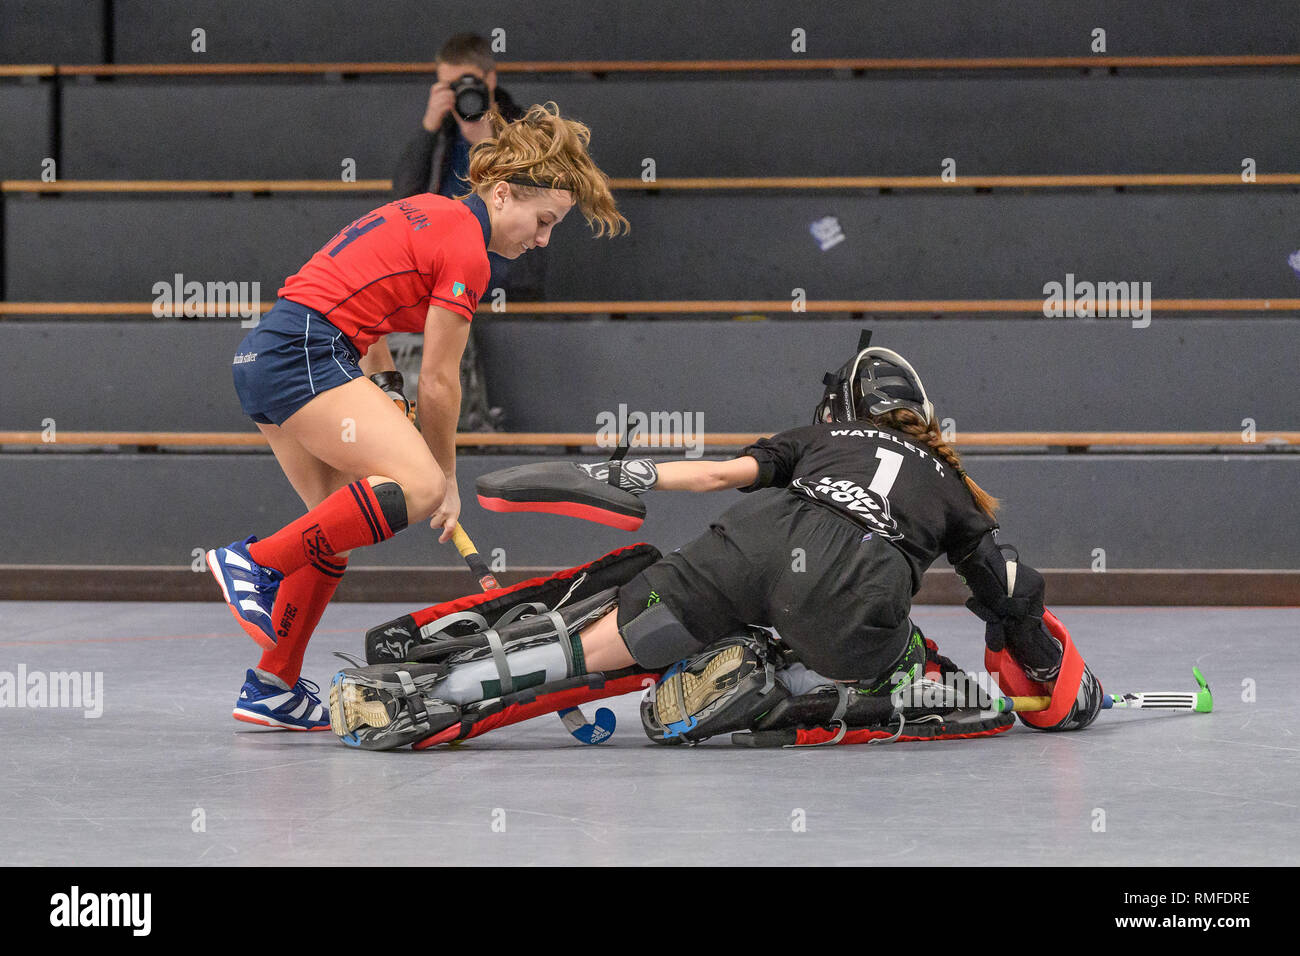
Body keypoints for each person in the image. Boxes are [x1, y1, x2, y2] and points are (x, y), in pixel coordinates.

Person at [331, 336, 1103, 748]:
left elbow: (720, 475)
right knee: (908, 663)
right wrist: (1044, 671)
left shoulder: (822, 435)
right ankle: (778, 679)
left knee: (595, 646)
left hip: (756, 537)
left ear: (845, 407)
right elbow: (1011, 589)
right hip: (853, 587)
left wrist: (629, 473)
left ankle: (433, 693)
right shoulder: (956, 488)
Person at [207, 102, 628, 731]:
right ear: (502, 191)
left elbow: (364, 307)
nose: (541, 239)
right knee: (419, 483)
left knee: (329, 534)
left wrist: (382, 386)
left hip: (267, 354)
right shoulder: (469, 252)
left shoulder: (428, 210)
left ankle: (272, 683)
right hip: (306, 352)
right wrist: (444, 477)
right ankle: (255, 563)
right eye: (542, 221)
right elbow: (440, 380)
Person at [394, 33, 539, 430]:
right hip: (440, 272)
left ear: (490, 79)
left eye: (469, 81)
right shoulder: (440, 132)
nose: (463, 92)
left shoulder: (524, 127)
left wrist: (487, 143)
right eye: (450, 85)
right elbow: (401, 200)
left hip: (503, 273)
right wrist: (428, 126)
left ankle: (463, 423)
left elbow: (530, 203)